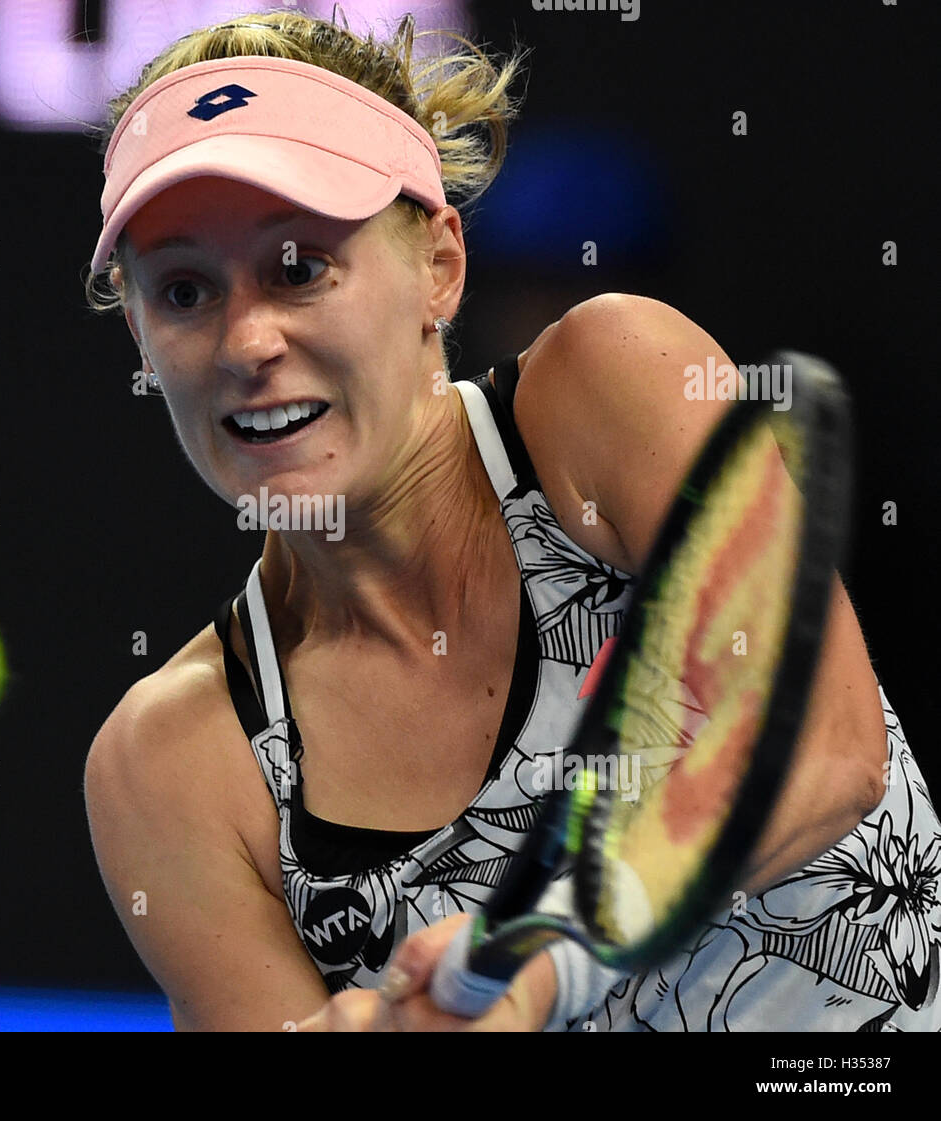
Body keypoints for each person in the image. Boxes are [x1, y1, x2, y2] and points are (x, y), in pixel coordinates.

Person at [82, 10, 941, 1032]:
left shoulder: (613, 382)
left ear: (438, 267)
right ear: (139, 332)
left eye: (298, 267)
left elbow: (824, 749)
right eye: (183, 290)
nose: (245, 340)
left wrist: (537, 953)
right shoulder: (167, 764)